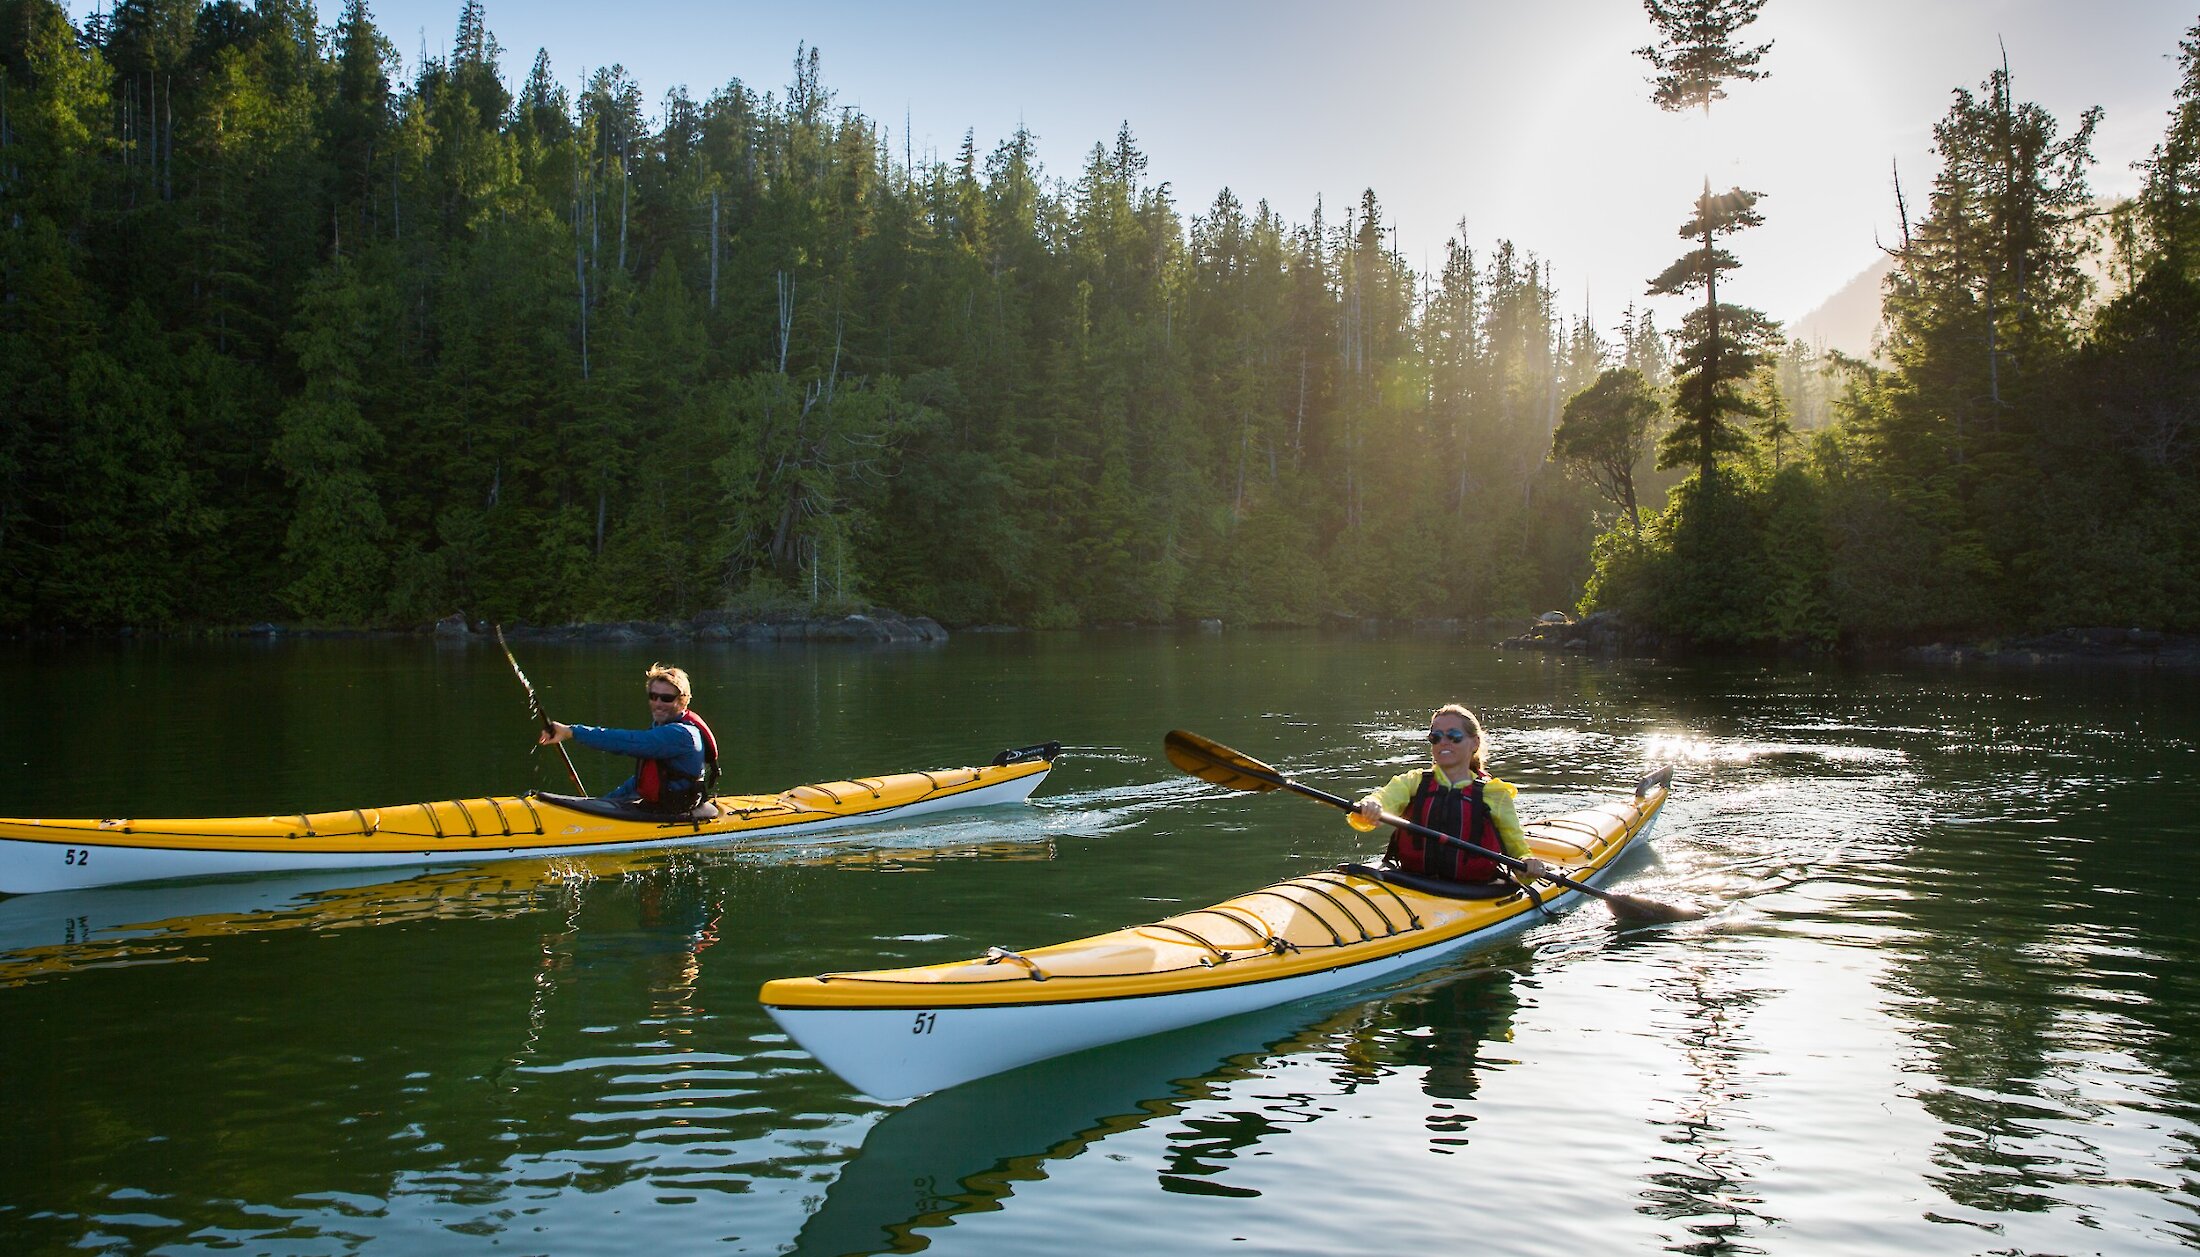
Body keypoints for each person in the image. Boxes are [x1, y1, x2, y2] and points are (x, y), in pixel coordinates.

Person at [1352, 704, 1548, 885]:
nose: (1443, 742)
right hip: (1412, 881)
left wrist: (1526, 863)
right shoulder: (1414, 782)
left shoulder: (1494, 793)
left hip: (1474, 890)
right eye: (1436, 737)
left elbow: (1516, 849)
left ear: (1474, 743)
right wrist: (1369, 807)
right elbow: (1382, 799)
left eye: (1453, 736)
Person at [539, 662, 720, 811]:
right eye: (653, 696)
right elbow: (641, 781)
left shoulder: (681, 734)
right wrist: (601, 804)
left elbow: (626, 742)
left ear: (682, 701)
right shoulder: (662, 726)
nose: (658, 703)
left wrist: (572, 732)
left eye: (666, 698)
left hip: (676, 809)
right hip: (658, 805)